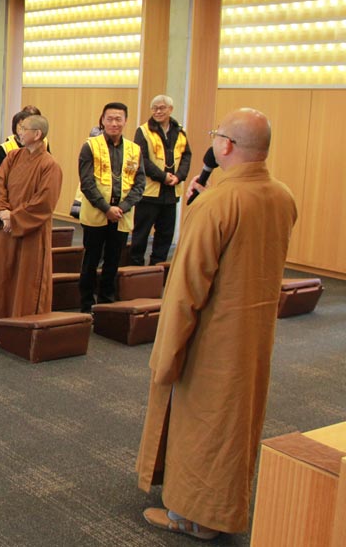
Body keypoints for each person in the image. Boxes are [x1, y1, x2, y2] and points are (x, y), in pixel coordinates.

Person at [136, 108, 297, 540]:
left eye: (215, 135)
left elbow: (187, 288)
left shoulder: (218, 203)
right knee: (235, 422)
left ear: (225, 145)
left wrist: (167, 352)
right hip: (255, 334)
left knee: (203, 421)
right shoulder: (282, 195)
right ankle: (221, 508)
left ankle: (194, 515)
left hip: (212, 335)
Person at [0, 115, 63, 336]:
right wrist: (2, 212)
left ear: (37, 134)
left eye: (24, 128)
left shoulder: (50, 165)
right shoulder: (12, 156)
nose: (20, 132)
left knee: (26, 281)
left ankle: (19, 329)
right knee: (0, 276)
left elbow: (44, 203)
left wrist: (14, 218)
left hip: (30, 232)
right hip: (4, 229)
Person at [77, 101, 144, 312]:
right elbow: (87, 183)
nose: (114, 123)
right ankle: (86, 305)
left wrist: (122, 207)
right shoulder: (90, 146)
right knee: (91, 260)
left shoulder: (134, 149)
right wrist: (106, 208)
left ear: (125, 121)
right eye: (110, 119)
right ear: (103, 120)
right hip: (96, 213)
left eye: (118, 119)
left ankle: (106, 303)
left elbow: (139, 184)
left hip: (122, 215)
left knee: (113, 262)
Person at [129, 95, 192, 266]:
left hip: (171, 193)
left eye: (162, 108)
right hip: (149, 193)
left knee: (165, 235)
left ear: (170, 109)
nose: (158, 111)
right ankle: (135, 269)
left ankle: (157, 269)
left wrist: (179, 176)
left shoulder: (180, 131)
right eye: (154, 108)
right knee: (140, 235)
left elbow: (186, 156)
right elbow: (141, 159)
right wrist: (163, 177)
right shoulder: (143, 131)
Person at [0, 105, 50, 172]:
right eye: (22, 126)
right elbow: (0, 174)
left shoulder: (43, 142)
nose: (22, 131)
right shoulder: (5, 148)